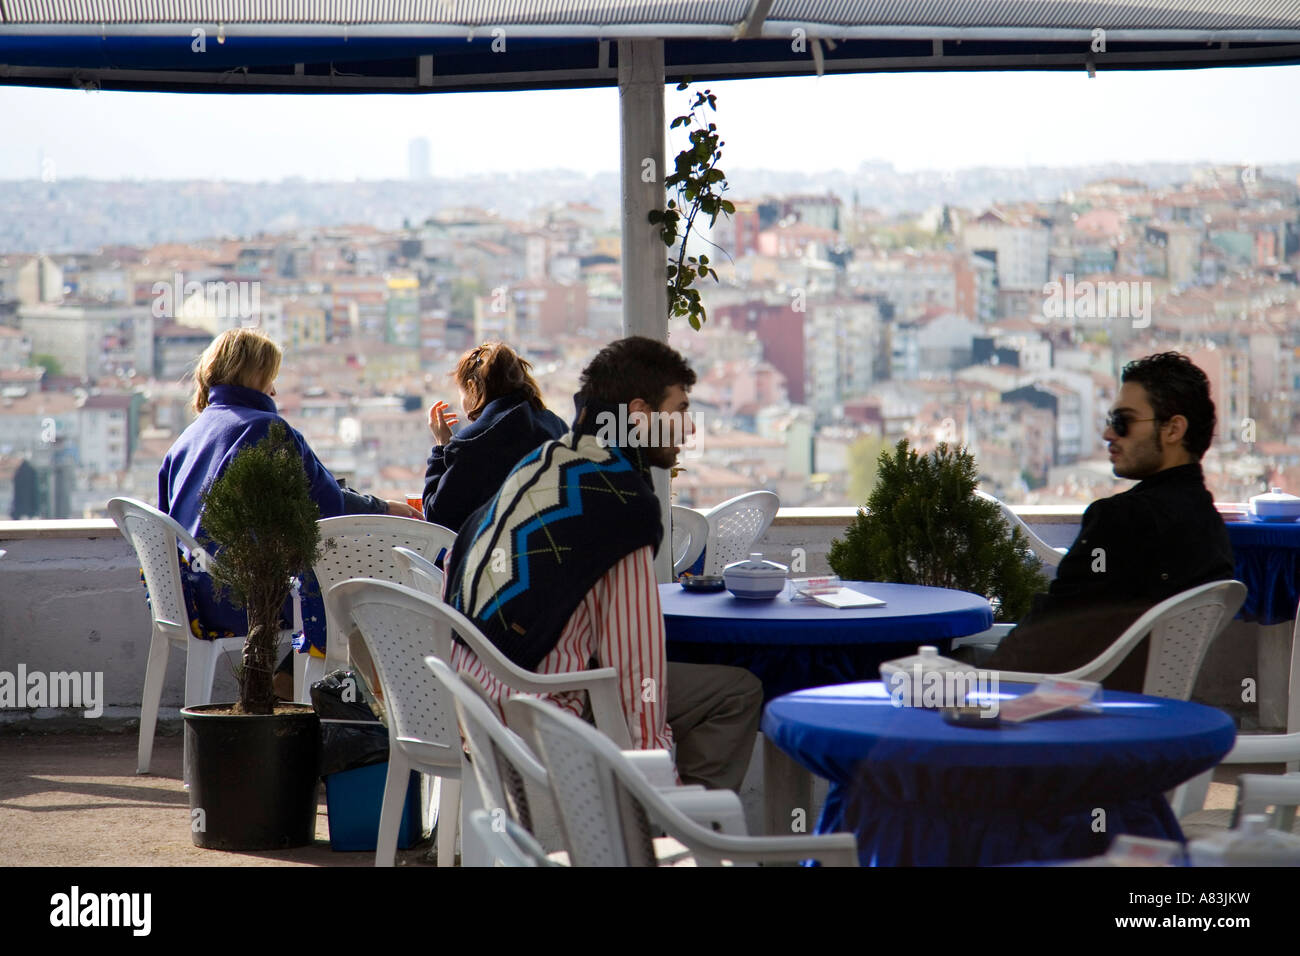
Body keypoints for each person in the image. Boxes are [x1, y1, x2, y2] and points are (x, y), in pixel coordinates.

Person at [445, 336, 763, 791]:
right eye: (679, 411)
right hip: (540, 720)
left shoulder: (542, 463)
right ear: (639, 414)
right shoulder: (620, 504)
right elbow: (637, 667)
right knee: (738, 692)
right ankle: (688, 836)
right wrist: (660, 785)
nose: (690, 430)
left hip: (475, 706)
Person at [158, 328, 420, 696]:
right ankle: (377, 712)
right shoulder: (264, 428)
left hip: (189, 597)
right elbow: (328, 505)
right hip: (240, 599)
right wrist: (384, 508)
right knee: (360, 593)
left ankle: (291, 679)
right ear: (254, 376)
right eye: (271, 379)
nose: (275, 391)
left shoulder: (189, 436)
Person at [988, 352, 1235, 691]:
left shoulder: (1120, 520)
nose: (1108, 433)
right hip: (1151, 713)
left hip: (1076, 713)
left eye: (1123, 421)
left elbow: (1045, 639)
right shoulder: (1209, 522)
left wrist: (970, 681)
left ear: (1173, 429)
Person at [421, 342, 567, 532]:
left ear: (472, 388)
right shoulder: (555, 425)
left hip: (499, 556)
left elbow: (437, 518)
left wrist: (442, 448)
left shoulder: (473, 442)